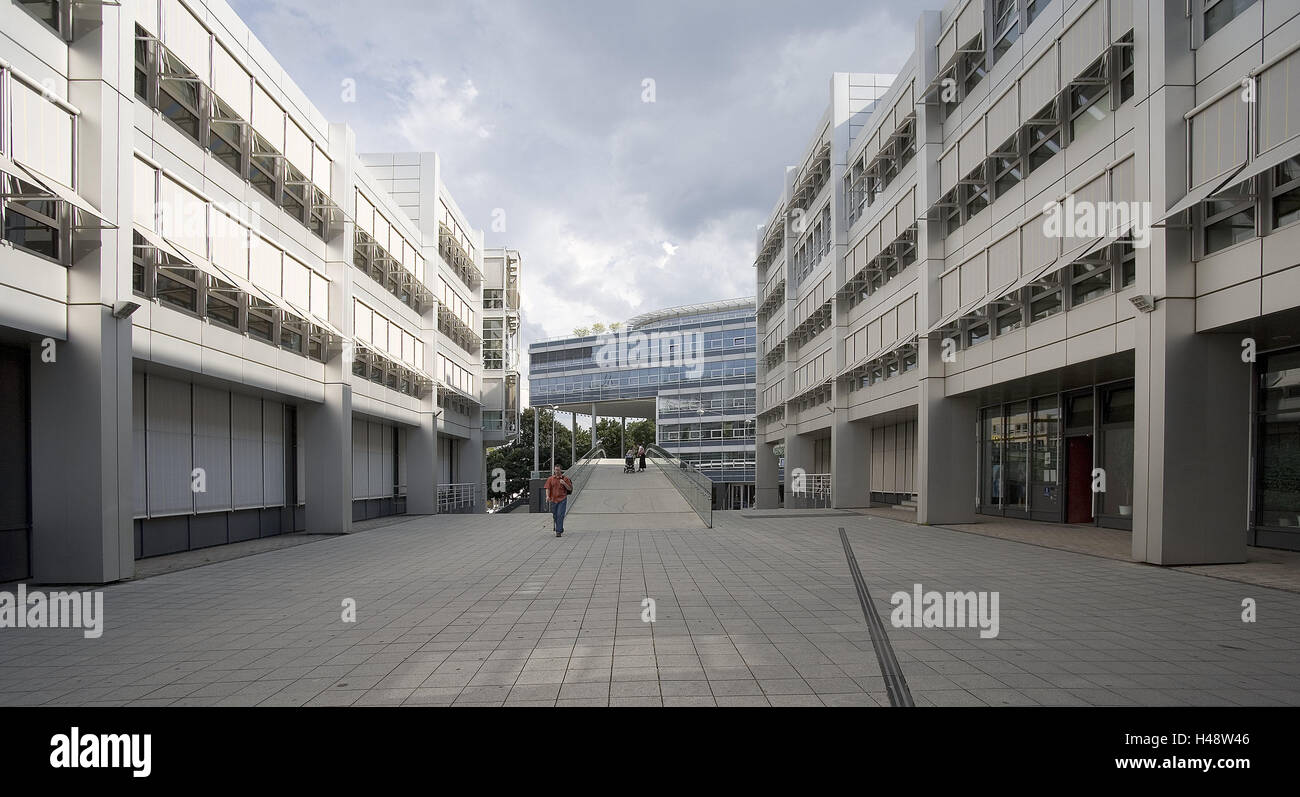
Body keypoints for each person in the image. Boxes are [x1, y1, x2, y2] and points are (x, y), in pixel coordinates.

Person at [544, 465, 573, 537]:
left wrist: (564, 483)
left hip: (562, 499)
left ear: (561, 470)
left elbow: (570, 489)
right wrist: (547, 496)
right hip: (553, 500)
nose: (556, 471)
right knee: (555, 515)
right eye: (555, 470)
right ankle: (560, 527)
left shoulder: (565, 479)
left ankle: (558, 531)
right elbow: (547, 488)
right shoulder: (550, 479)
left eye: (558, 470)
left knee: (560, 515)